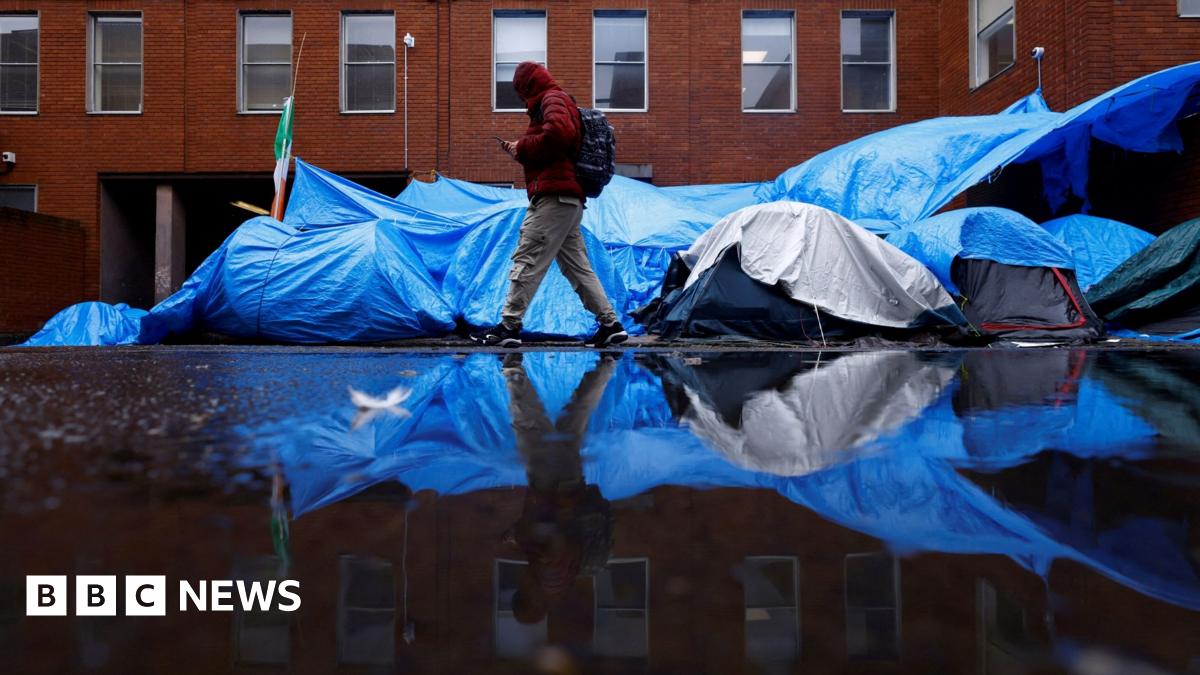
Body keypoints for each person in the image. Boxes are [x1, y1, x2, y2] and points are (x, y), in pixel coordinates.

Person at [470, 61, 628, 349]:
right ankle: (611, 325)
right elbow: (557, 140)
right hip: (567, 200)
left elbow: (559, 135)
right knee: (578, 268)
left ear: (529, 85)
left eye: (520, 91)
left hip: (554, 199)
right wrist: (521, 149)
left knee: (527, 258)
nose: (520, 99)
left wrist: (523, 147)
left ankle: (509, 326)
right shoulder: (555, 101)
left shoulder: (552, 99)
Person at [500, 352, 616, 624]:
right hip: (555, 487)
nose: (519, 584)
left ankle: (604, 369)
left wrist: (520, 538)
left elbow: (548, 543)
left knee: (572, 422)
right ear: (528, 598)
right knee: (529, 424)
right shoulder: (549, 579)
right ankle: (513, 371)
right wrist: (521, 534)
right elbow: (555, 536)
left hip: (565, 487)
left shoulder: (553, 585)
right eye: (520, 592)